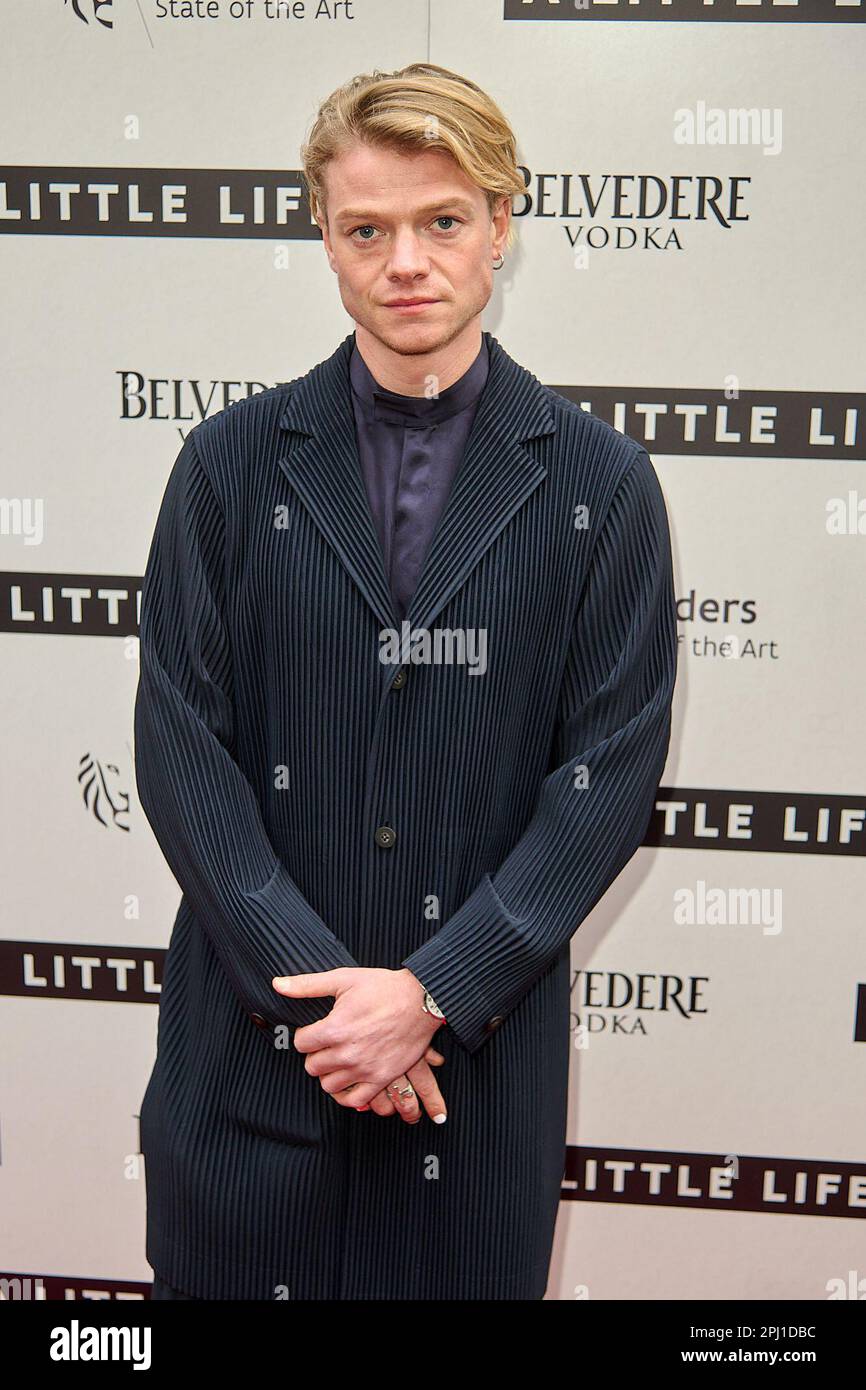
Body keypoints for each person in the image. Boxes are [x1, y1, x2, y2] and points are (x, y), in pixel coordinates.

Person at [136, 61, 678, 1301]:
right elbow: (181, 749)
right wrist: (333, 1012)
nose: (406, 262)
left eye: (442, 221)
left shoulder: (602, 486)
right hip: (249, 1073)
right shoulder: (224, 467)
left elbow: (602, 781)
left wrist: (431, 994)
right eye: (364, 228)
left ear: (502, 222)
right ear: (321, 240)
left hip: (470, 1100)